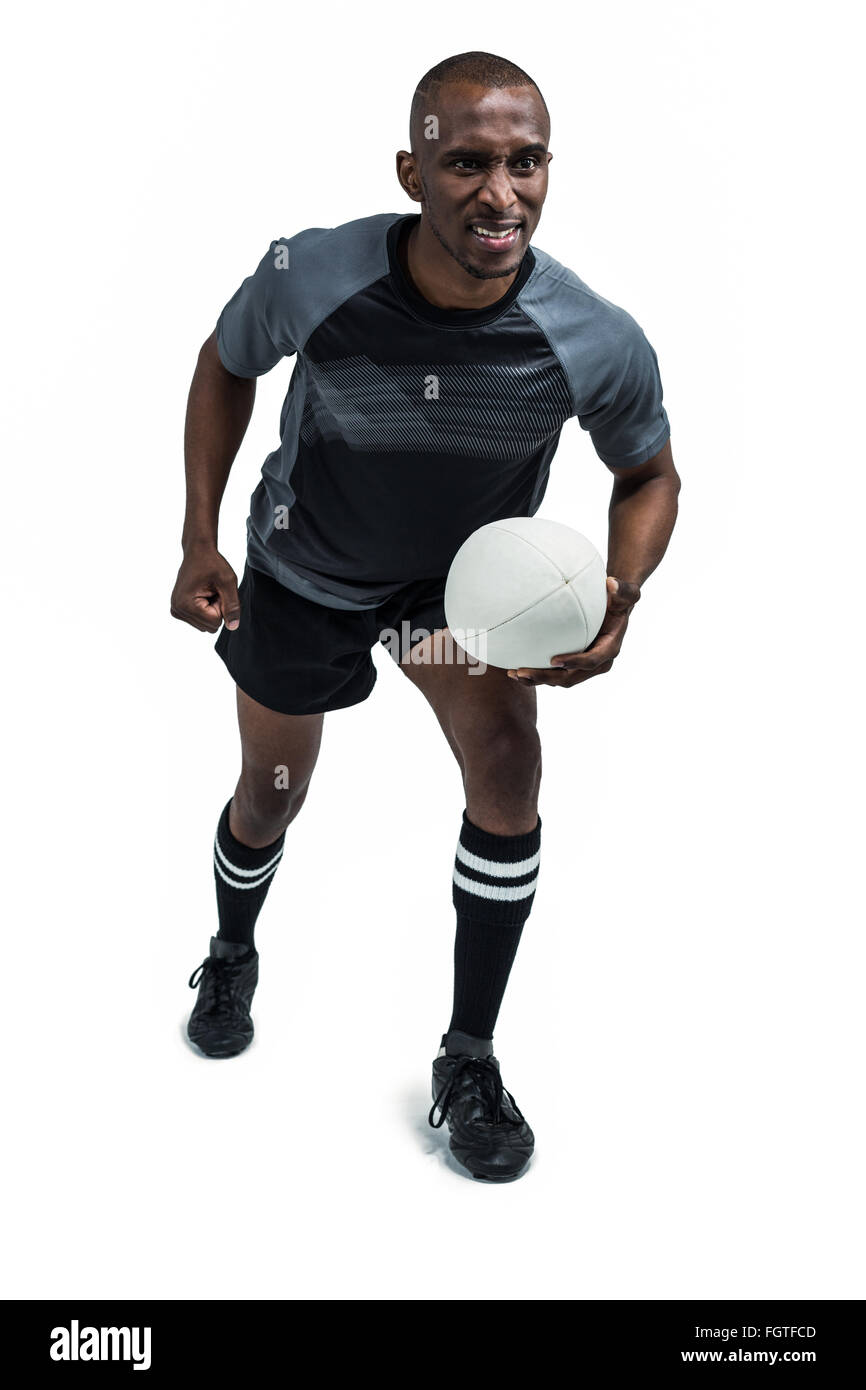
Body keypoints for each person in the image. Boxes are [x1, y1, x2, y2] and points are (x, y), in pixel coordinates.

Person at [171, 50, 681, 1183]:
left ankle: (467, 1056)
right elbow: (225, 361)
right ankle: (231, 948)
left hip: (453, 599)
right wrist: (201, 533)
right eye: (464, 164)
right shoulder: (316, 275)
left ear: (547, 169)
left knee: (506, 774)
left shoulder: (588, 336)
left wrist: (620, 597)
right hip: (304, 570)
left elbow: (648, 474)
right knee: (271, 793)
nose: (497, 194)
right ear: (411, 171)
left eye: (522, 162)